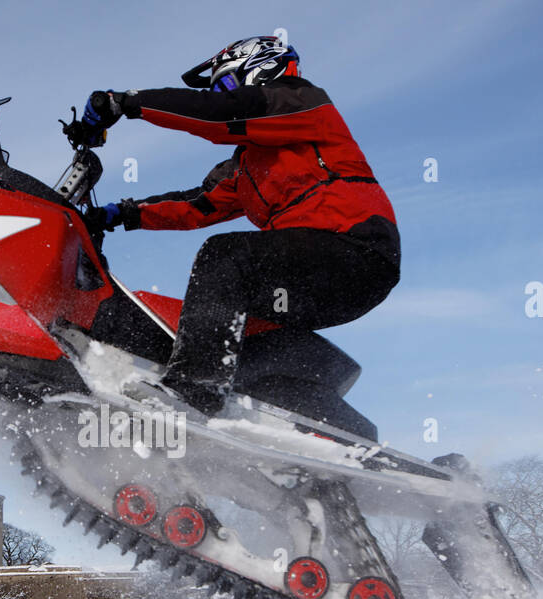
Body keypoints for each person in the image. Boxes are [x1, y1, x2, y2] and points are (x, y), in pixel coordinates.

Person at [80, 36, 400, 415]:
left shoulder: (301, 101)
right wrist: (122, 213)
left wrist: (126, 102)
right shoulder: (248, 165)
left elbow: (220, 114)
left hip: (353, 251)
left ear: (262, 67)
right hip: (309, 280)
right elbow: (197, 205)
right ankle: (267, 412)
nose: (223, 95)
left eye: (228, 85)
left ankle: (196, 391)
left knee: (225, 255)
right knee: (227, 310)